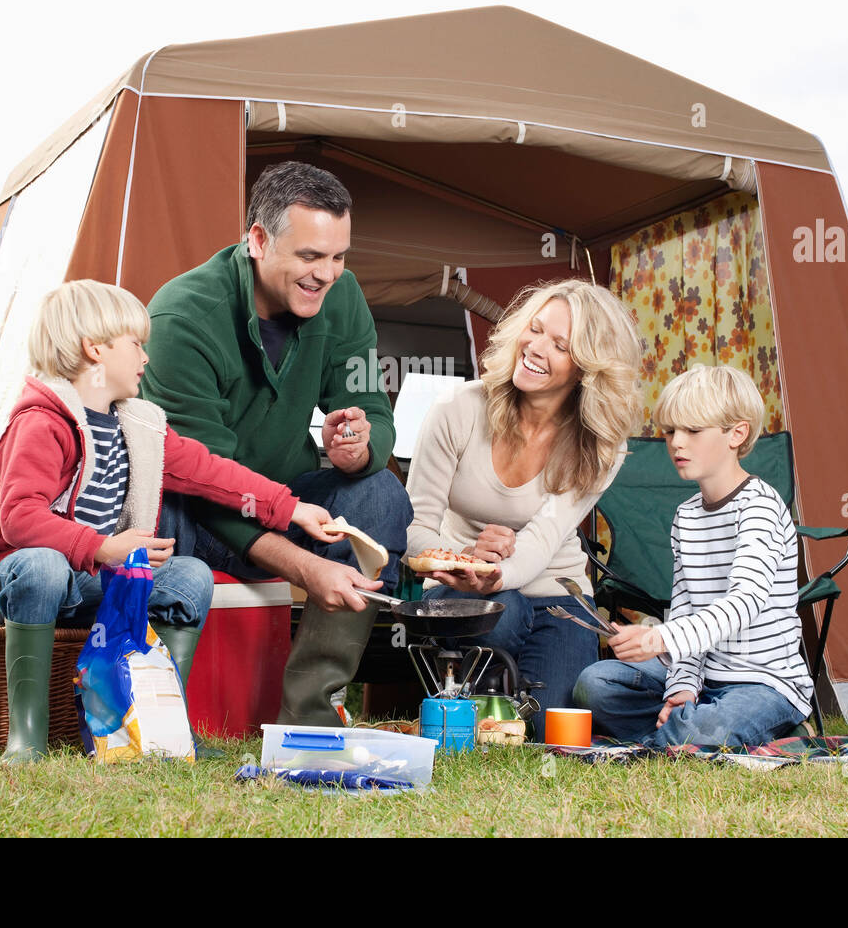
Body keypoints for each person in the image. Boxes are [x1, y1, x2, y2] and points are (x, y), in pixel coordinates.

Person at [0, 280, 339, 762]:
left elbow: (209, 471)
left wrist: (290, 508)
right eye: (135, 344)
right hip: (10, 576)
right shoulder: (42, 422)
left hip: (84, 577)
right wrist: (101, 547)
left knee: (189, 577)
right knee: (43, 566)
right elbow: (18, 518)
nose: (146, 358)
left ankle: (164, 732)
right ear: (94, 349)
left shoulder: (137, 426)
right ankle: (26, 738)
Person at [140, 161, 413, 726]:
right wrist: (306, 569)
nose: (327, 274)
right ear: (258, 240)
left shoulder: (343, 295)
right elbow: (202, 479)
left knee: (382, 493)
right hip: (196, 515)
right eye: (310, 257)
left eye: (339, 257)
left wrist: (360, 447)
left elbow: (377, 411)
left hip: (291, 506)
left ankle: (308, 715)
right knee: (163, 512)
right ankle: (160, 712)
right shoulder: (181, 317)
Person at [405, 280, 642, 738]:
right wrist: (468, 559)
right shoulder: (458, 408)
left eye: (560, 346)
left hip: (557, 593)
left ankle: (488, 705)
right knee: (504, 611)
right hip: (462, 593)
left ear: (586, 369)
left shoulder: (601, 445)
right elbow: (415, 528)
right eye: (534, 330)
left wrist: (497, 573)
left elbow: (542, 540)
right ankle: (467, 705)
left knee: (550, 732)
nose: (535, 348)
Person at [572, 363, 813, 747]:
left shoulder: (760, 507)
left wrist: (659, 639)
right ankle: (690, 728)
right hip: (707, 676)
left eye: (692, 431)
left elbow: (745, 602)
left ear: (737, 434)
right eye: (670, 431)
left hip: (764, 681)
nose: (676, 443)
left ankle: (695, 733)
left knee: (705, 727)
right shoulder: (686, 515)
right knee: (594, 685)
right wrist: (682, 685)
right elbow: (684, 608)